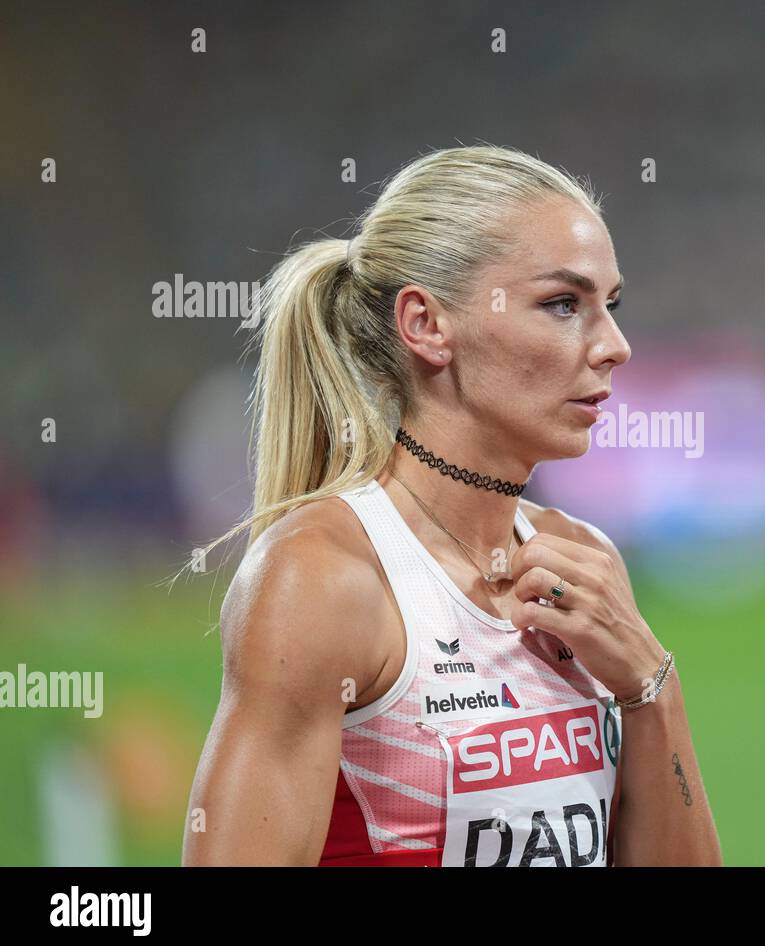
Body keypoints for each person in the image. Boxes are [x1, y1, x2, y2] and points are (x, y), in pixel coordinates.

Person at [181, 145, 722, 867]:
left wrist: (652, 685)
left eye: (610, 306)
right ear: (427, 325)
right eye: (564, 304)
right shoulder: (321, 579)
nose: (616, 347)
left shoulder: (584, 562)